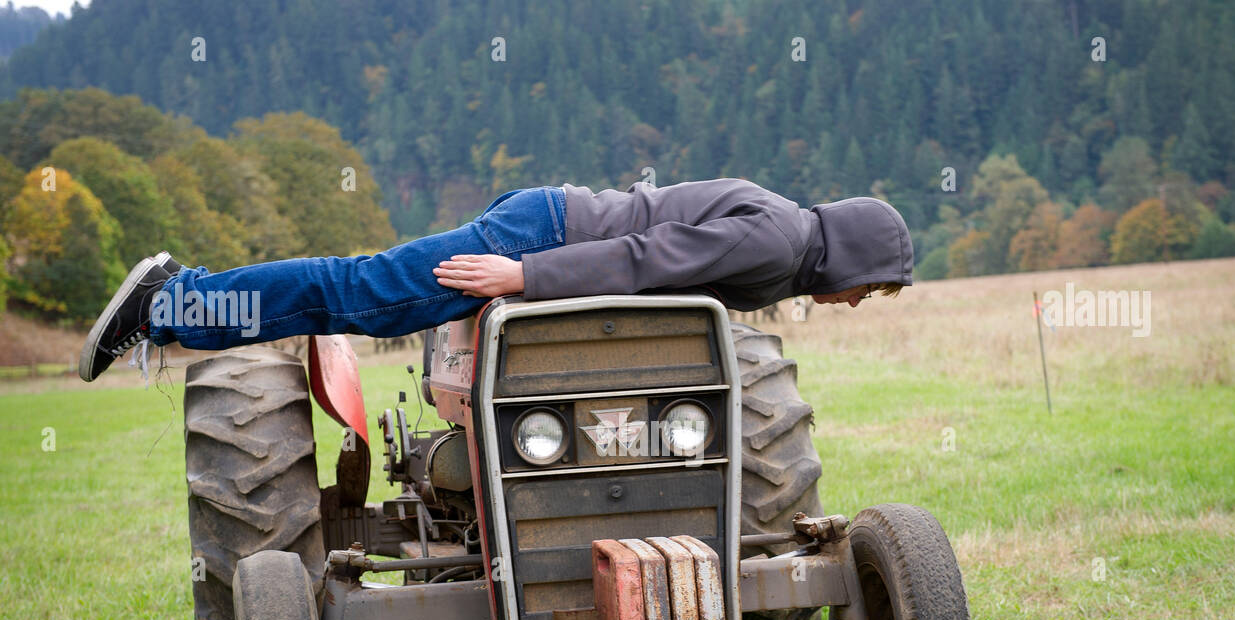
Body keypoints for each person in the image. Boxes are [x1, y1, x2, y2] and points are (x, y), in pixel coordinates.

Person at [78, 178, 913, 382]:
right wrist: (526, 274)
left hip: (550, 228)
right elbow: (643, 262)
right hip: (544, 237)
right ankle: (173, 299)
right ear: (854, 257)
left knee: (362, 291)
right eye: (867, 288)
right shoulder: (776, 244)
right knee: (362, 293)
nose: (852, 303)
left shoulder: (781, 231)